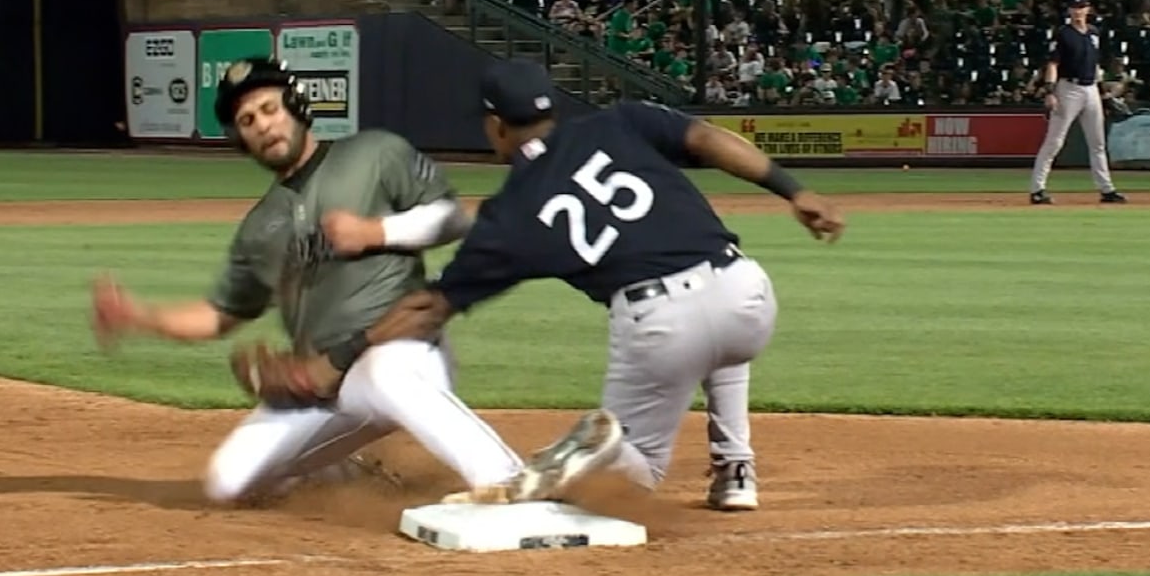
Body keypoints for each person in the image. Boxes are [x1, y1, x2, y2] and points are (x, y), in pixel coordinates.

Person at [258, 59, 846, 511]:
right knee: (724, 338)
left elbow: (428, 307)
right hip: (747, 292)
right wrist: (794, 191)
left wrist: (340, 358)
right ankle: (736, 469)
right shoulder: (623, 121)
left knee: (637, 468)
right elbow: (706, 139)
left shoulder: (512, 212)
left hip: (661, 325)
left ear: (495, 126)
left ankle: (595, 455)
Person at [89, 56, 615, 506]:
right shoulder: (260, 227)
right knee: (228, 483)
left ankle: (509, 482)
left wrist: (375, 230)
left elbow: (451, 218)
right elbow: (220, 313)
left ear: (296, 105)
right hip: (317, 382)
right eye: (248, 120)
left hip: (400, 349)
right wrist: (140, 316)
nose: (263, 125)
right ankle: (340, 470)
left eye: (269, 108)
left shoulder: (373, 153)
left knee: (385, 377)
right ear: (239, 137)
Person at [1029, 0, 1128, 205]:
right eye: (1074, 7)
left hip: (1090, 87)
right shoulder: (1063, 34)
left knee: (1098, 143)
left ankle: (1106, 189)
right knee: (1055, 141)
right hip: (1068, 88)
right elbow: (1053, 64)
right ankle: (1037, 189)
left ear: (1088, 9)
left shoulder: (1094, 33)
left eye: (1081, 7)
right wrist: (1049, 91)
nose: (1077, 11)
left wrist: (1102, 93)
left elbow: (1096, 66)